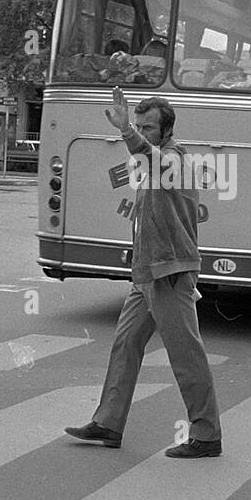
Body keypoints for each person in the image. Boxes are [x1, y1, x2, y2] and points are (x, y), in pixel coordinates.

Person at [65, 88, 223, 458]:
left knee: (186, 355)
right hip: (146, 274)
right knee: (125, 347)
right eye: (138, 124)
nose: (141, 130)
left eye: (147, 126)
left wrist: (125, 132)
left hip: (169, 272)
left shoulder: (174, 161)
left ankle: (207, 434)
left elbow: (147, 154)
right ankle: (108, 422)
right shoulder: (154, 166)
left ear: (166, 131)